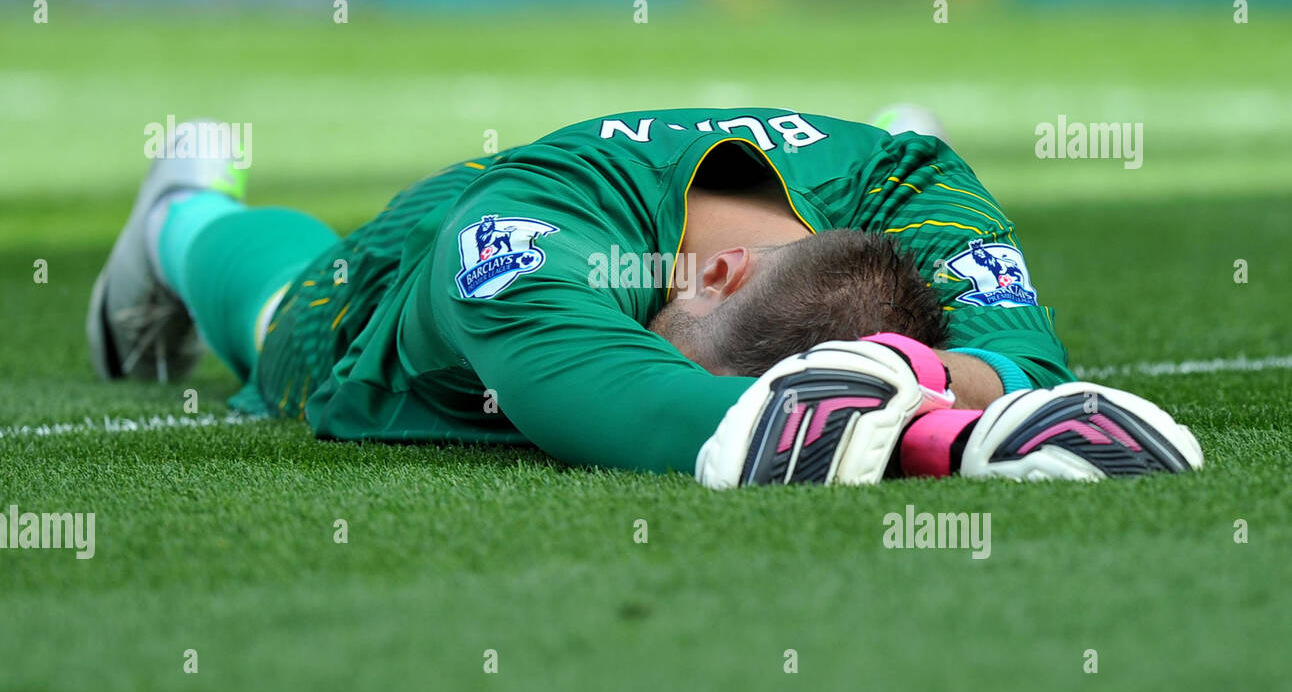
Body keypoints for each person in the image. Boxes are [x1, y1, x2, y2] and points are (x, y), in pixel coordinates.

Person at [88, 106, 1202, 485]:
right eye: (670, 343)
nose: (653, 351)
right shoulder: (521, 253)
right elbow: (671, 415)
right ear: (712, 276)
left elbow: (1025, 360)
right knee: (282, 310)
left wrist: (929, 385)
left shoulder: (910, 180)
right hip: (403, 278)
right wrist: (942, 437)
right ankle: (180, 210)